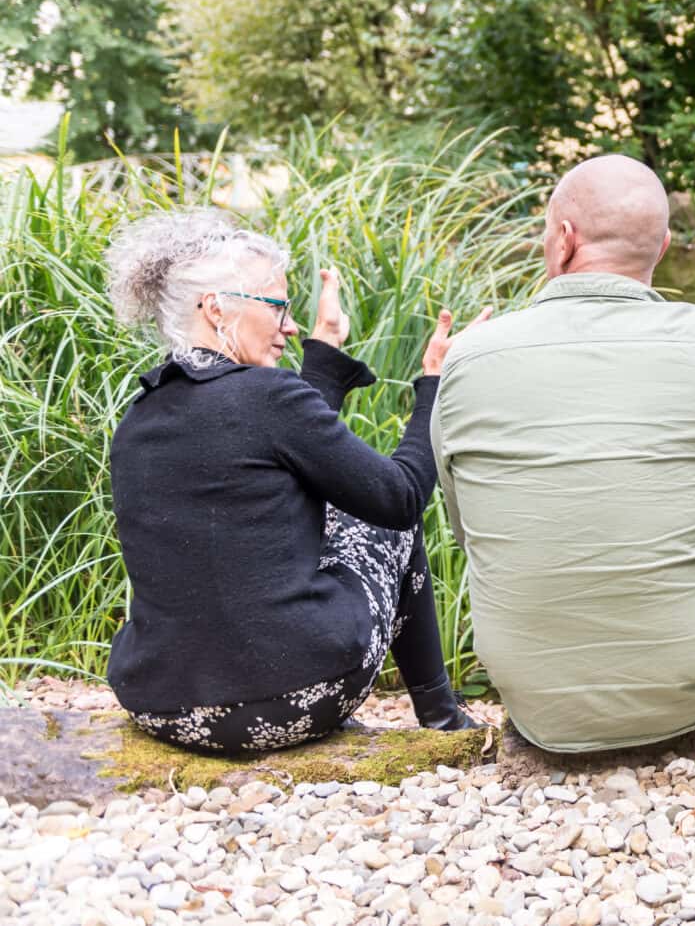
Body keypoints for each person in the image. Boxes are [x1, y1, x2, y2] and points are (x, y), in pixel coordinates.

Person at [430, 155, 695, 753]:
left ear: (563, 239)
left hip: (537, 699)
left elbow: (471, 533)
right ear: (664, 246)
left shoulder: (464, 360)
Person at [105, 210, 482, 752]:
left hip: (163, 708)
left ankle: (443, 716)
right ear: (216, 308)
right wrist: (432, 390)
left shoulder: (139, 415)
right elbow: (398, 498)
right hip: (295, 696)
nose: (290, 326)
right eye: (278, 306)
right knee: (387, 525)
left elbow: (281, 464)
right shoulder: (267, 398)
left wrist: (324, 354)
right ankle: (443, 717)